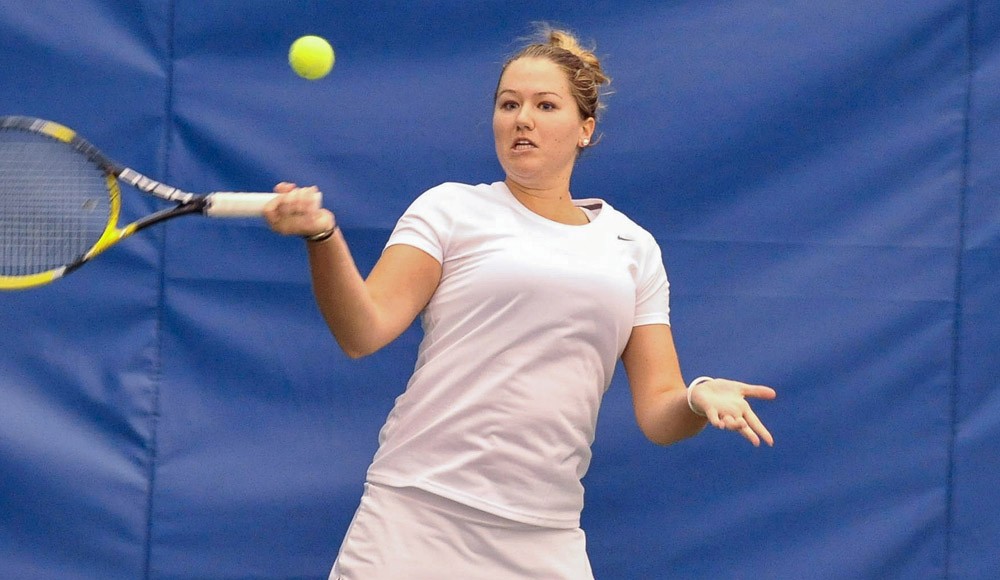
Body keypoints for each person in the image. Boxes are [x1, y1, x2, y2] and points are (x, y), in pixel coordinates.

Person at [264, 25, 776, 580]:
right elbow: (362, 330)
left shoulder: (634, 248)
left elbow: (659, 413)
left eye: (544, 104)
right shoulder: (450, 209)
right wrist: (322, 237)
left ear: (585, 129)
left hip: (545, 534)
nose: (521, 118)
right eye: (508, 104)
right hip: (415, 515)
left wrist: (698, 397)